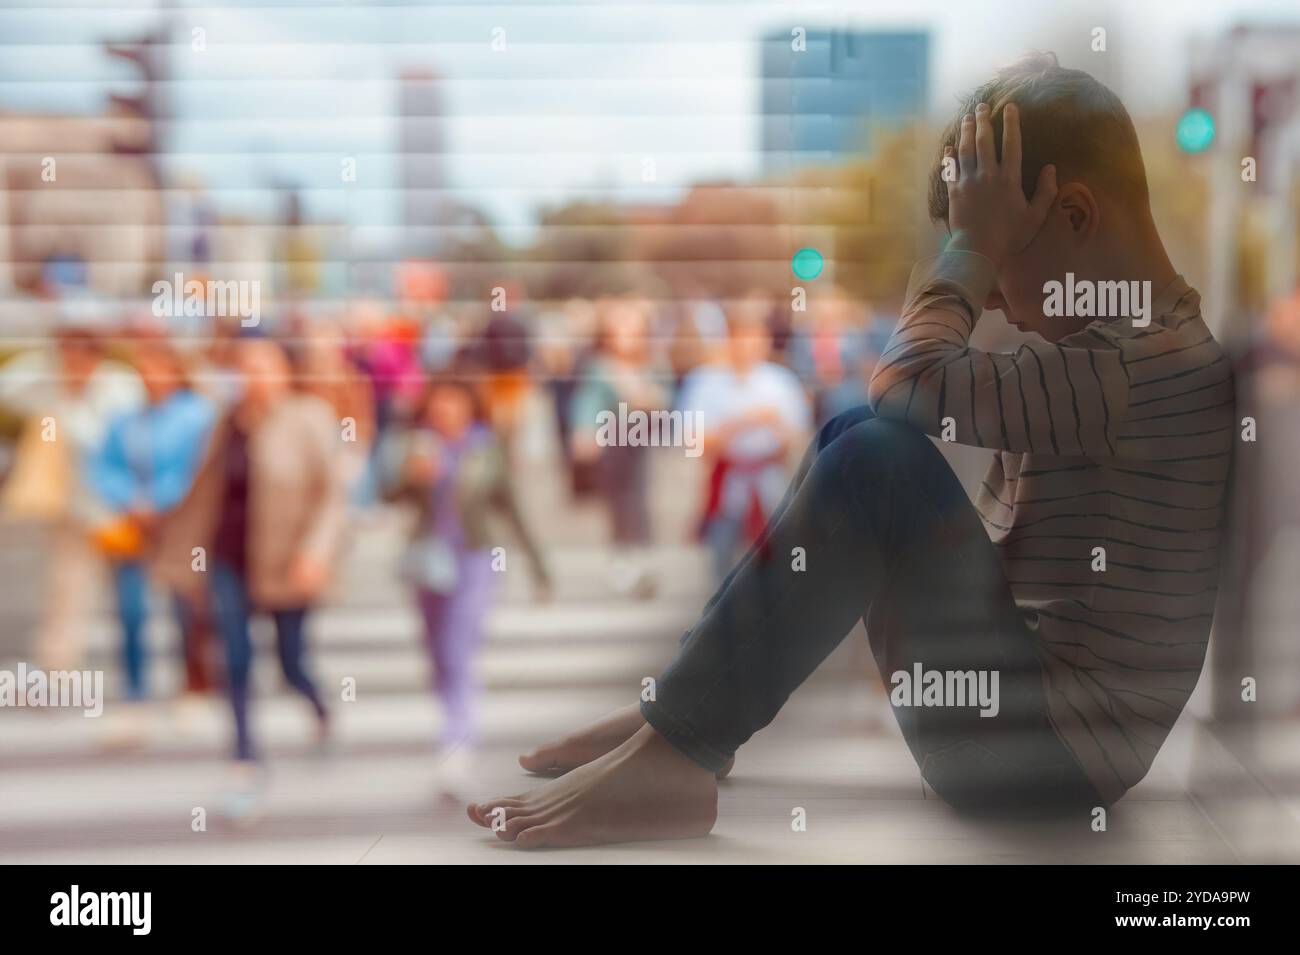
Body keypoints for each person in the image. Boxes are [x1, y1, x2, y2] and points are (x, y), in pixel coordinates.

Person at [468, 54, 1235, 848]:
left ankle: (680, 742)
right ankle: (684, 715)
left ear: (1076, 217)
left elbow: (902, 384)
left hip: (1040, 761)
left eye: (1002, 259)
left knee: (875, 456)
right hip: (1017, 731)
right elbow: (895, 395)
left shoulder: (1138, 365)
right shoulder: (1131, 344)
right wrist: (974, 238)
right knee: (850, 435)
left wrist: (969, 246)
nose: (995, 295)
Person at [155, 337, 348, 819]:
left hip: (287, 563)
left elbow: (333, 496)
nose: (254, 376)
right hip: (229, 560)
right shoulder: (226, 423)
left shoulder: (310, 418)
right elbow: (200, 493)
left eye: (264, 365)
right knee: (233, 659)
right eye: (245, 367)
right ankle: (245, 758)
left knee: (290, 663)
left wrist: (315, 552)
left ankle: (320, 706)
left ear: (285, 370)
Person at [381, 364, 551, 793]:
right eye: (438, 404)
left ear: (469, 408)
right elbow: (387, 494)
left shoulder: (485, 448)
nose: (445, 412)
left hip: (475, 560)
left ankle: (456, 746)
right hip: (429, 562)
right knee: (436, 652)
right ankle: (453, 715)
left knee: (458, 649)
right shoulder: (417, 446)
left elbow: (513, 508)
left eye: (454, 403)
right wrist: (411, 476)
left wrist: (539, 567)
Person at [86, 333, 216, 729]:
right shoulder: (126, 419)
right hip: (135, 527)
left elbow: (200, 467)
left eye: (159, 367)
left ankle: (194, 688)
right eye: (144, 369)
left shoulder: (197, 415)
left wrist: (160, 499)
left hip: (181, 527)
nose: (151, 376)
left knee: (186, 609)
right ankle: (135, 693)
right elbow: (102, 466)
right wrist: (130, 499)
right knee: (130, 610)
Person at [678, 294, 812, 582]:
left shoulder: (781, 382)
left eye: (754, 338)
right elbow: (694, 440)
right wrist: (740, 424)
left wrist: (777, 429)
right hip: (727, 478)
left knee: (778, 556)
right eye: (741, 338)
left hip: (769, 477)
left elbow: (797, 436)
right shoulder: (706, 382)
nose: (747, 347)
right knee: (723, 557)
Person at [569, 294, 670, 598]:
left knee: (637, 496)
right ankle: (624, 557)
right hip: (612, 440)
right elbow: (587, 400)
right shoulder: (599, 367)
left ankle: (640, 554)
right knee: (618, 499)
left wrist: (649, 397)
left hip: (642, 439)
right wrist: (584, 430)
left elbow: (667, 397)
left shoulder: (653, 364)